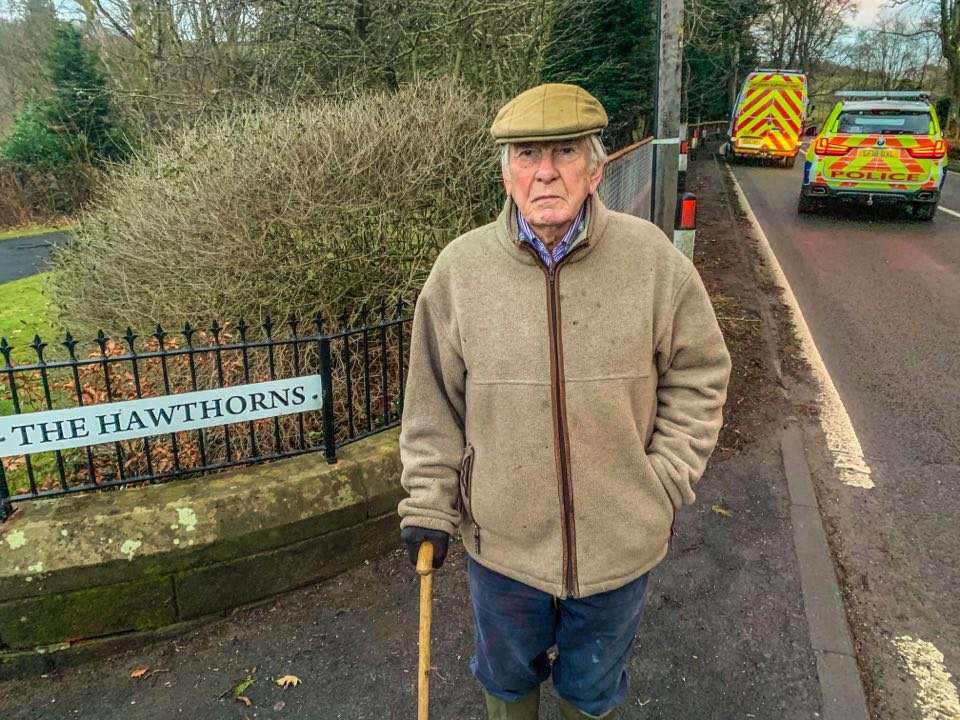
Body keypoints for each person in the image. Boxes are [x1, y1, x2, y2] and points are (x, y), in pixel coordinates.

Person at [398, 83, 731, 719]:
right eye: (526, 154)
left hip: (620, 546)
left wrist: (660, 481)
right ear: (505, 172)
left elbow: (701, 374)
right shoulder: (459, 272)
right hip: (503, 546)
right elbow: (432, 405)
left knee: (592, 692)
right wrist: (429, 504)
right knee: (505, 682)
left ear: (597, 166)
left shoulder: (652, 263)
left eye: (565, 152)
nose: (545, 171)